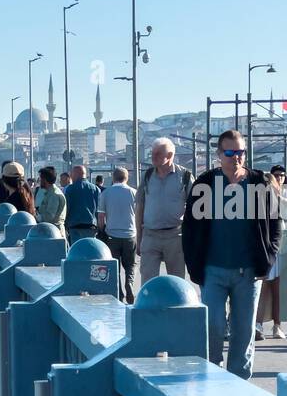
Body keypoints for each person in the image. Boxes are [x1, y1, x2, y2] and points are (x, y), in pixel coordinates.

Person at [181, 129, 281, 380]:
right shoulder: (204, 184)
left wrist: (268, 257)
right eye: (230, 152)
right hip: (213, 270)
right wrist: (195, 265)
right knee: (213, 326)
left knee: (243, 331)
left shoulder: (260, 182)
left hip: (248, 272)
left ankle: (239, 381)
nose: (236, 157)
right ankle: (212, 375)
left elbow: (275, 225)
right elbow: (190, 228)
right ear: (219, 154)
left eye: (240, 152)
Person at [135, 137, 192, 285]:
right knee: (147, 282)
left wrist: (191, 238)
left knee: (177, 283)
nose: (153, 157)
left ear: (170, 155)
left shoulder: (184, 176)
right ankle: (148, 308)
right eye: (153, 153)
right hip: (150, 235)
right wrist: (139, 239)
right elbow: (140, 207)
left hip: (175, 236)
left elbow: (195, 208)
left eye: (158, 154)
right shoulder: (147, 176)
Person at [98, 167, 138, 303]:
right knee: (130, 265)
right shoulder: (134, 193)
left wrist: (101, 231)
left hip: (112, 235)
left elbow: (101, 217)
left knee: (114, 267)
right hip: (130, 235)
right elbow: (139, 216)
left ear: (113, 178)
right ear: (126, 178)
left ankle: (119, 293)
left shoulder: (106, 193)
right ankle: (130, 284)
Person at [258, 164, 287, 341]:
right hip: (271, 249)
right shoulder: (264, 198)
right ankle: (259, 324)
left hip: (282, 248)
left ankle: (277, 325)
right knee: (264, 288)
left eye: (283, 175)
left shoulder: (282, 198)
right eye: (276, 175)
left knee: (278, 289)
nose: (280, 178)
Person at [64, 164, 101, 243]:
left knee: (76, 251)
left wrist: (65, 224)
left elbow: (67, 208)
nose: (71, 177)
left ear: (76, 174)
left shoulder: (70, 189)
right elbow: (99, 210)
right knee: (90, 250)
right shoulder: (96, 189)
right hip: (91, 227)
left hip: (75, 227)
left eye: (72, 175)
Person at [34, 165, 67, 236]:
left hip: (55, 233)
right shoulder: (49, 193)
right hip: (51, 232)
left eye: (41, 179)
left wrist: (35, 216)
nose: (39, 181)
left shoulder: (54, 195)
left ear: (45, 180)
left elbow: (49, 217)